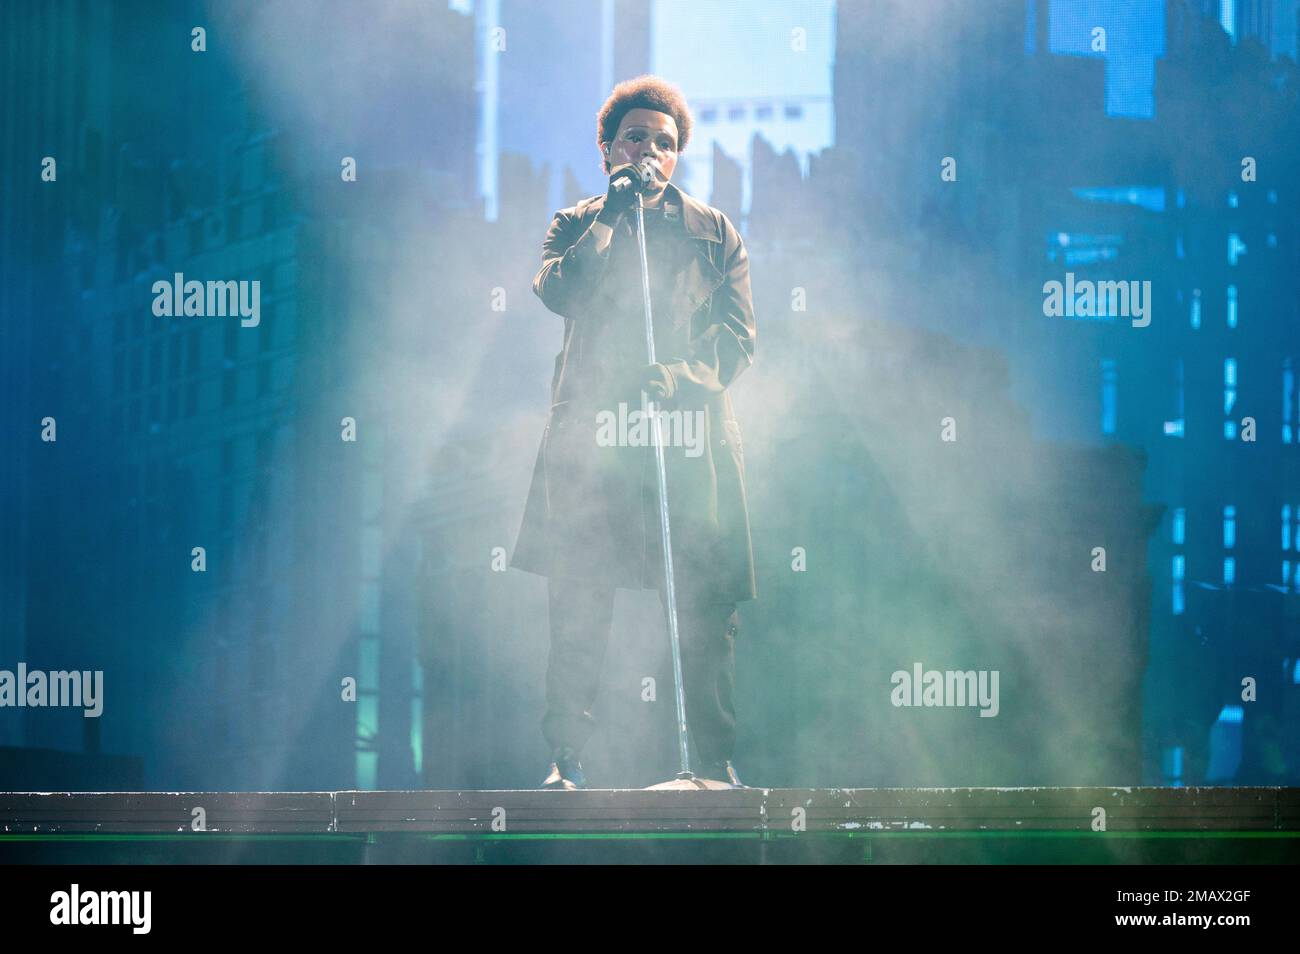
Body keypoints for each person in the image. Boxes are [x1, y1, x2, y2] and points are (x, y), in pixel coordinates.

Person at [511, 75, 757, 789]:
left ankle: (711, 763)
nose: (651, 151)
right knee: (580, 599)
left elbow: (738, 339)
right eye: (636, 138)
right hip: (596, 447)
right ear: (607, 149)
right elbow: (559, 291)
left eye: (665, 142)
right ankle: (566, 759)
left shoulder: (715, 232)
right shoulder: (576, 224)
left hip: (688, 443)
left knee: (705, 604)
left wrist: (678, 379)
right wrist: (612, 217)